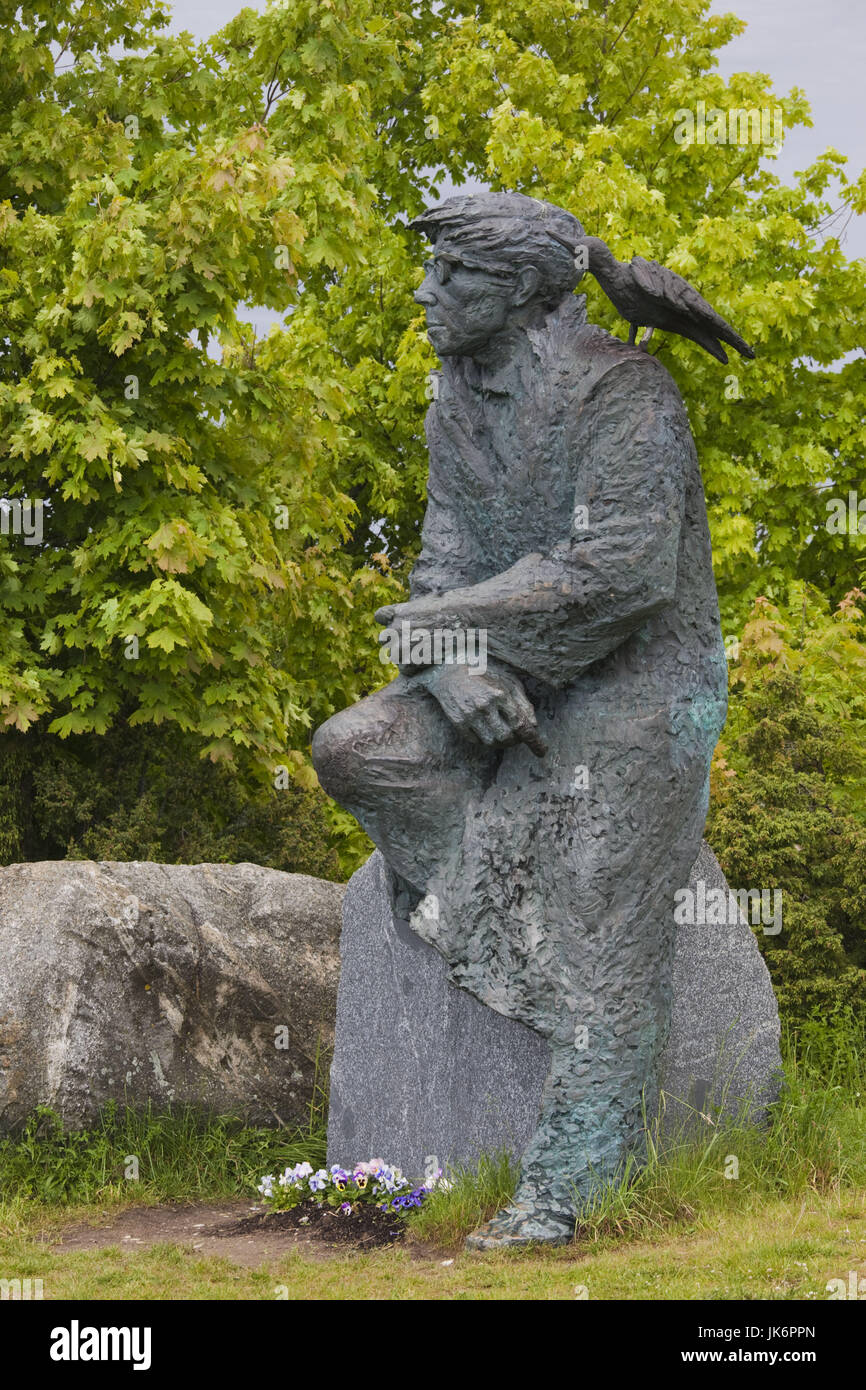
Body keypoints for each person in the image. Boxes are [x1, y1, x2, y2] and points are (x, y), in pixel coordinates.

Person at [313, 192, 728, 1247]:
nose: (427, 290)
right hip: (497, 666)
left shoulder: (626, 392)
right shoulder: (451, 402)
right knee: (352, 746)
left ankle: (566, 1185)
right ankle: (492, 922)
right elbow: (442, 563)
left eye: (453, 273)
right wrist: (448, 662)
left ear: (525, 289)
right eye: (433, 269)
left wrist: (436, 624)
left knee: (591, 879)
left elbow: (623, 573)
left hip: (639, 685)